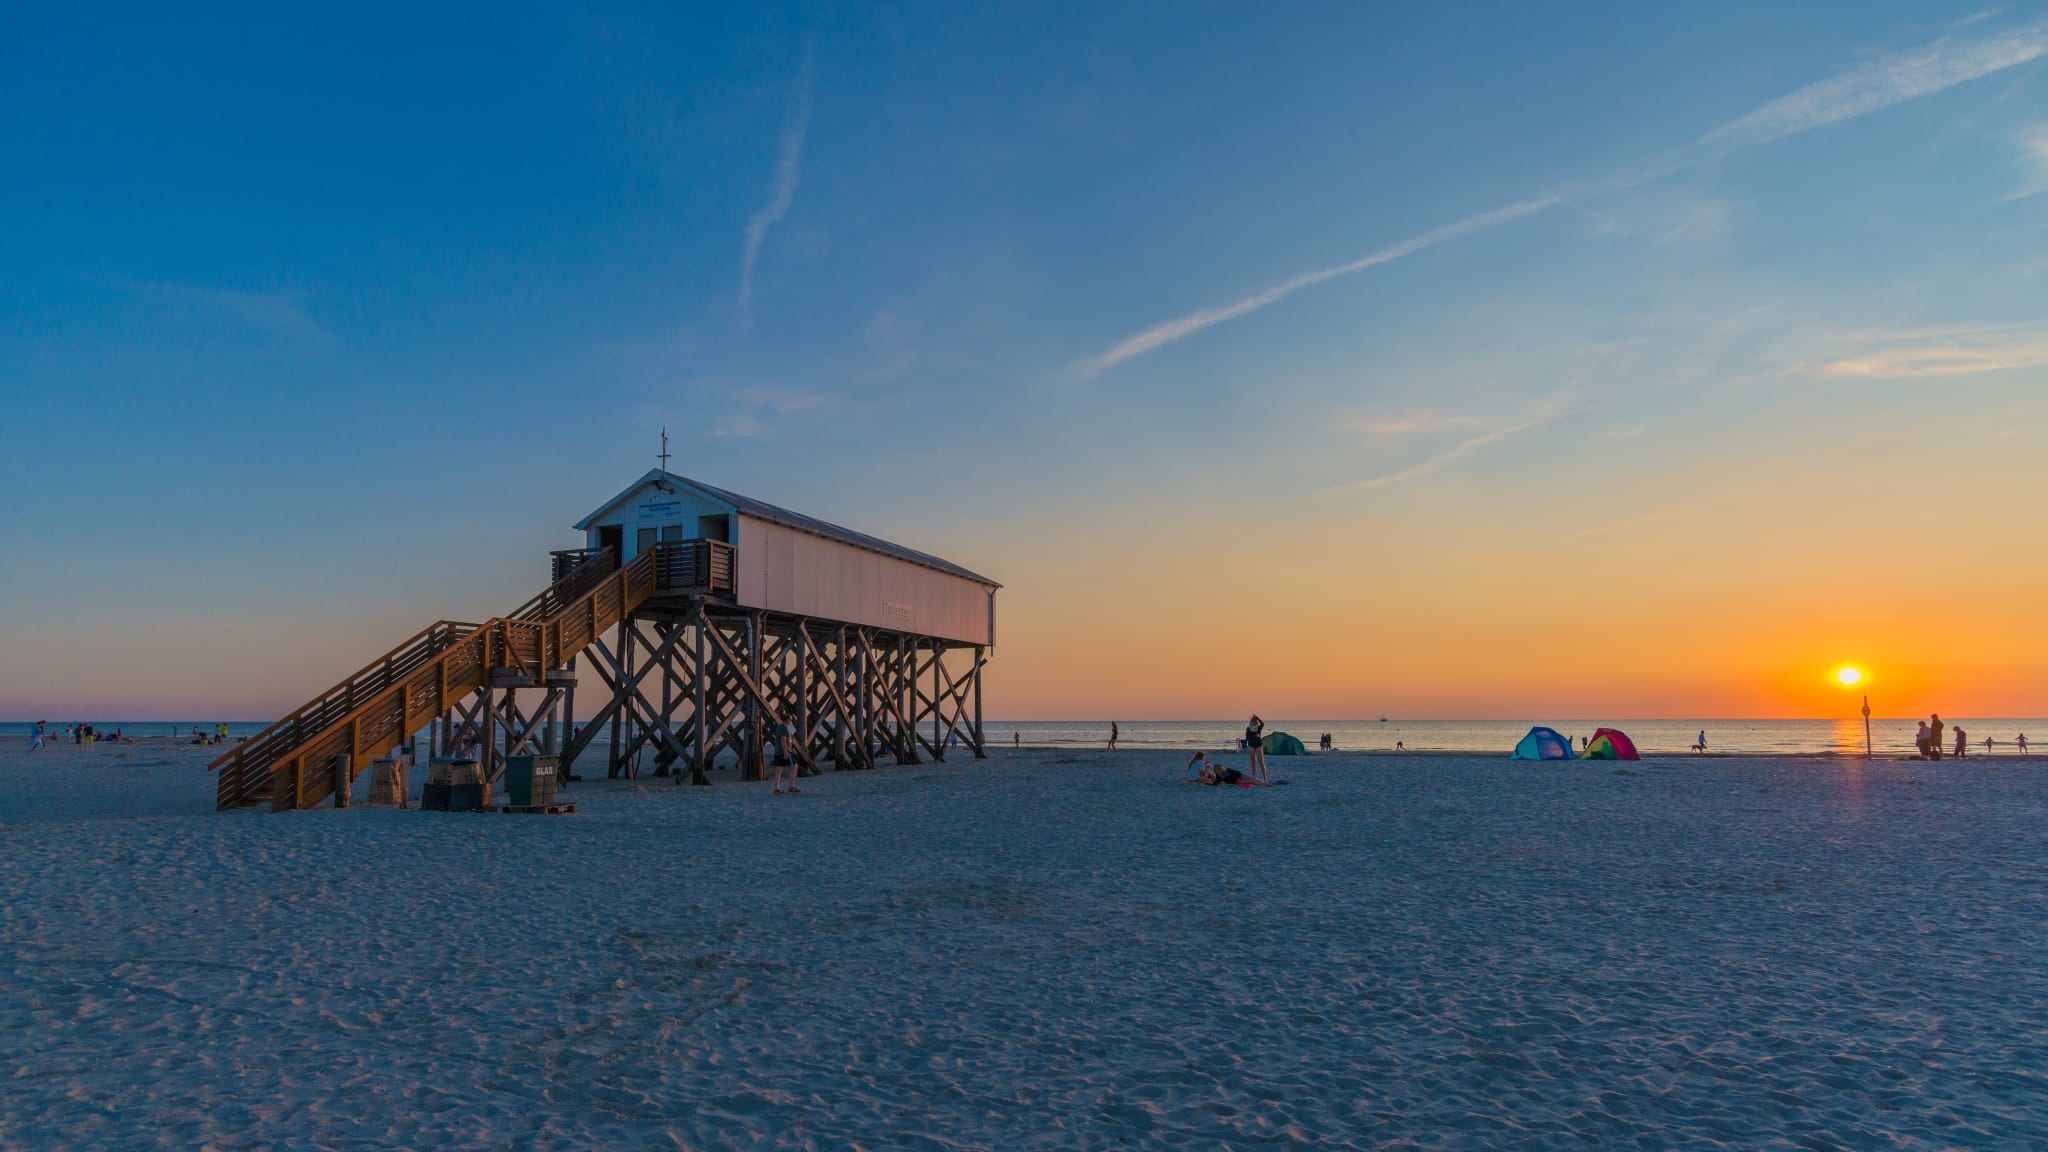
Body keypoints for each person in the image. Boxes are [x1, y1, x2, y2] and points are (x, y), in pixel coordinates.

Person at [768, 722, 799, 795]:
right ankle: (791, 786)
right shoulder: (784, 727)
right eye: (790, 720)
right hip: (784, 752)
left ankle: (777, 788)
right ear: (788, 720)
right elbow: (783, 739)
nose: (791, 722)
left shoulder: (779, 727)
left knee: (778, 770)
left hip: (778, 751)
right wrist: (785, 752)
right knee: (794, 766)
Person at [1244, 714, 1267, 783]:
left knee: (1261, 762)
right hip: (1251, 745)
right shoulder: (1248, 728)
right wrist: (1254, 736)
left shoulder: (1259, 728)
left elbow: (1262, 723)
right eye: (1253, 722)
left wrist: (1257, 717)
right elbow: (1247, 738)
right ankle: (1254, 777)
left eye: (1255, 721)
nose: (1254, 723)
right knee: (1253, 762)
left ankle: (1265, 778)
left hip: (1258, 745)